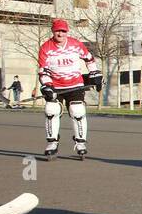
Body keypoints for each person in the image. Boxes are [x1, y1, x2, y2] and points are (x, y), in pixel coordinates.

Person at [38, 18, 101, 159]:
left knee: (77, 111)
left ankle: (80, 143)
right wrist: (47, 86)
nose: (60, 34)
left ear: (67, 32)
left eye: (63, 31)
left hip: (75, 85)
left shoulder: (76, 45)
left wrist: (95, 74)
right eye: (57, 31)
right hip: (56, 86)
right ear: (52, 31)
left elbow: (89, 59)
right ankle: (52, 143)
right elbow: (43, 71)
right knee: (51, 110)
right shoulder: (46, 48)